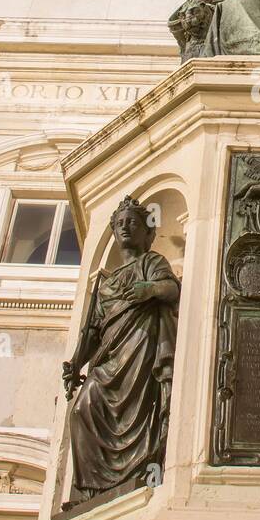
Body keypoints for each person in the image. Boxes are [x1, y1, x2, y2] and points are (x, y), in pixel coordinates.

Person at [62, 197, 180, 504]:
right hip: (110, 355)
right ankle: (91, 490)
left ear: (147, 232)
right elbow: (92, 331)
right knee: (81, 409)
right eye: (120, 223)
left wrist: (149, 289)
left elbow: (172, 289)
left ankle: (139, 469)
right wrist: (76, 362)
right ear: (113, 231)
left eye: (132, 222)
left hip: (141, 344)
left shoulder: (151, 263)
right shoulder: (105, 283)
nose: (125, 227)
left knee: (140, 410)